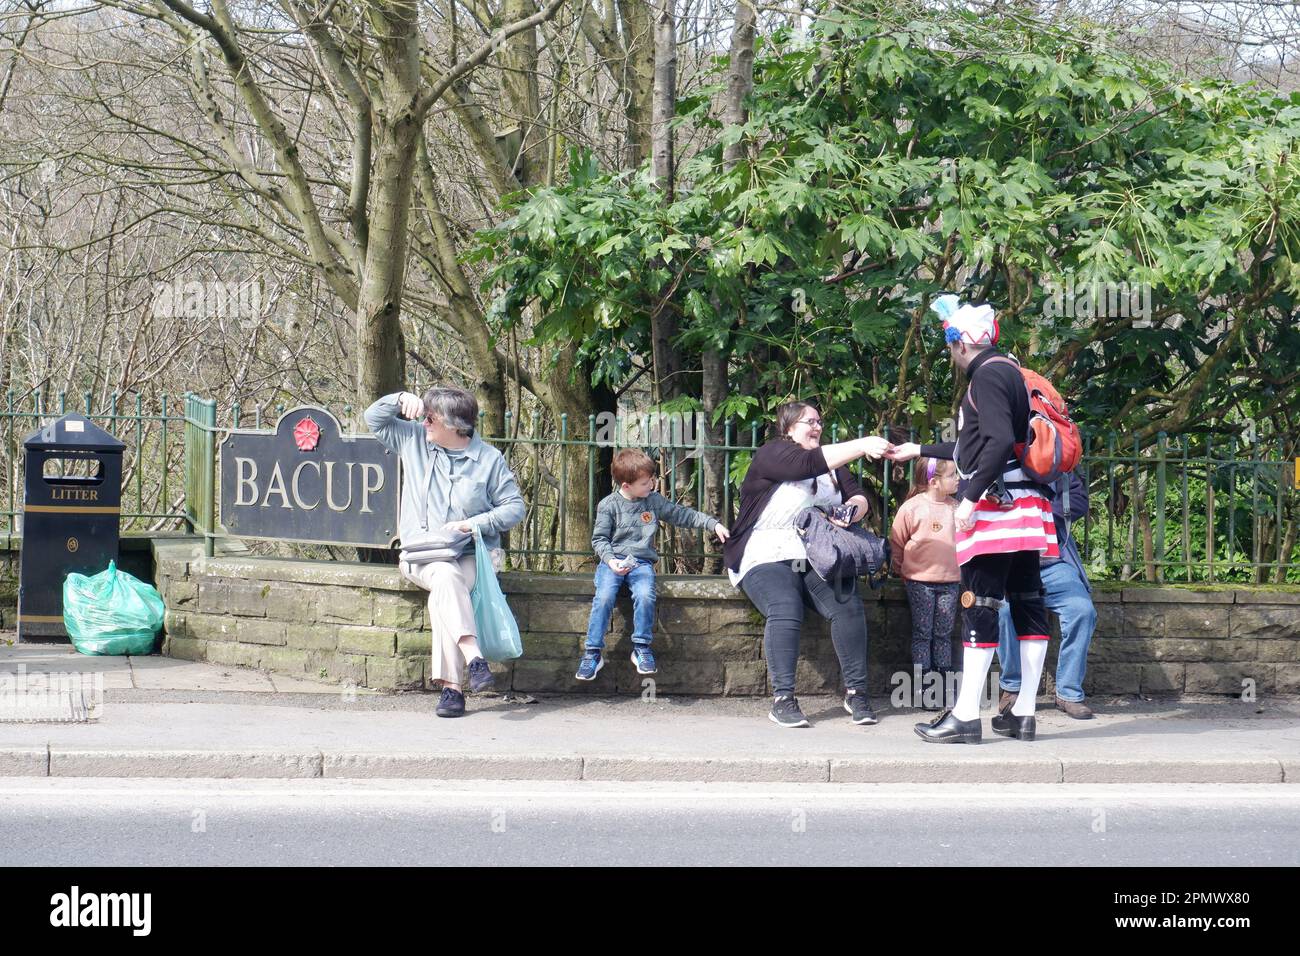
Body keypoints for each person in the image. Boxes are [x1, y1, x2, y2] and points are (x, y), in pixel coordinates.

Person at [889, 294, 1058, 743]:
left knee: (978, 604)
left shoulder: (984, 375)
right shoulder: (1011, 371)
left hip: (996, 508)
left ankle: (965, 716)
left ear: (962, 344)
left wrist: (969, 499)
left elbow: (998, 441)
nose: (950, 354)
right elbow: (977, 445)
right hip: (1027, 507)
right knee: (1027, 600)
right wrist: (920, 450)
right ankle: (1022, 715)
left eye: (950, 346)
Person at [724, 399, 892, 728]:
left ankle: (857, 693)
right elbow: (805, 465)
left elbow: (858, 496)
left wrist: (851, 511)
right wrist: (863, 444)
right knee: (785, 607)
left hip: (818, 555)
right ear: (788, 428)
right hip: (766, 553)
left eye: (818, 421)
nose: (816, 427)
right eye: (808, 422)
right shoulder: (773, 453)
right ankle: (783, 700)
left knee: (848, 605)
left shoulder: (832, 464)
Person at [364, 387, 525, 718]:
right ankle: (473, 657)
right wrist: (398, 400)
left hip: (469, 555)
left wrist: (475, 523)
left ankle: (452, 690)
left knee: (447, 586)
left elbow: (514, 508)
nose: (424, 421)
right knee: (445, 577)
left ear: (455, 425)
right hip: (422, 556)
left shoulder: (489, 460)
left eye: (430, 417)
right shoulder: (413, 440)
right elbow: (373, 420)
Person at [576, 448, 729, 680]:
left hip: (642, 564)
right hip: (612, 562)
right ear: (626, 486)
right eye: (645, 482)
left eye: (652, 480)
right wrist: (611, 561)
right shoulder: (608, 505)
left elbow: (681, 514)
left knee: (646, 594)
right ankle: (592, 652)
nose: (652, 485)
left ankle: (641, 648)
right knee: (605, 596)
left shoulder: (653, 501)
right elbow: (599, 539)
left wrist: (712, 523)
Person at [996, 470, 1096, 718]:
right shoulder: (998, 465)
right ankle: (1012, 688)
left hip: (1052, 565)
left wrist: (1035, 508)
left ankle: (1068, 692)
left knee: (1082, 611)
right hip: (1010, 565)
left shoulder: (1056, 470)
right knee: (1005, 612)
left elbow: (1078, 501)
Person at [890, 455, 961, 710]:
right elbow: (897, 541)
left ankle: (943, 684)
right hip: (919, 581)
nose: (957, 479)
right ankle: (925, 688)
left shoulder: (957, 507)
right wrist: (900, 568)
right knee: (923, 633)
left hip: (951, 581)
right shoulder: (912, 508)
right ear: (934, 481)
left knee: (943, 633)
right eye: (952, 475)